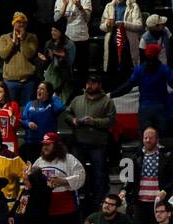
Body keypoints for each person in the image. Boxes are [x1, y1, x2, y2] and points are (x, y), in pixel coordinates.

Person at [60, 73, 116, 207]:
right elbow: (67, 113)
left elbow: (111, 121)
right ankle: (77, 200)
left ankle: (99, 203)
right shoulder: (77, 99)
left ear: (99, 85)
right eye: (88, 83)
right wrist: (72, 120)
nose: (90, 85)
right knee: (76, 174)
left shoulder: (107, 101)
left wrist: (94, 122)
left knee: (99, 176)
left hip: (98, 145)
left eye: (93, 83)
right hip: (78, 143)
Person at [0, 12, 40, 107]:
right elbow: (3, 55)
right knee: (11, 109)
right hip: (10, 81)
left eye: (23, 22)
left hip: (28, 82)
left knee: (27, 109)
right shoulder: (3, 38)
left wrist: (22, 40)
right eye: (18, 22)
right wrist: (12, 42)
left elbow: (29, 54)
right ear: (13, 23)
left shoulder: (32, 38)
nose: (21, 24)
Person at [99, 0, 144, 87]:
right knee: (113, 74)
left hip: (127, 44)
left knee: (126, 74)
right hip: (112, 44)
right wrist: (107, 24)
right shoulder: (109, 6)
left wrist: (124, 24)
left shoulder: (133, 6)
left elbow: (139, 26)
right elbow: (102, 26)